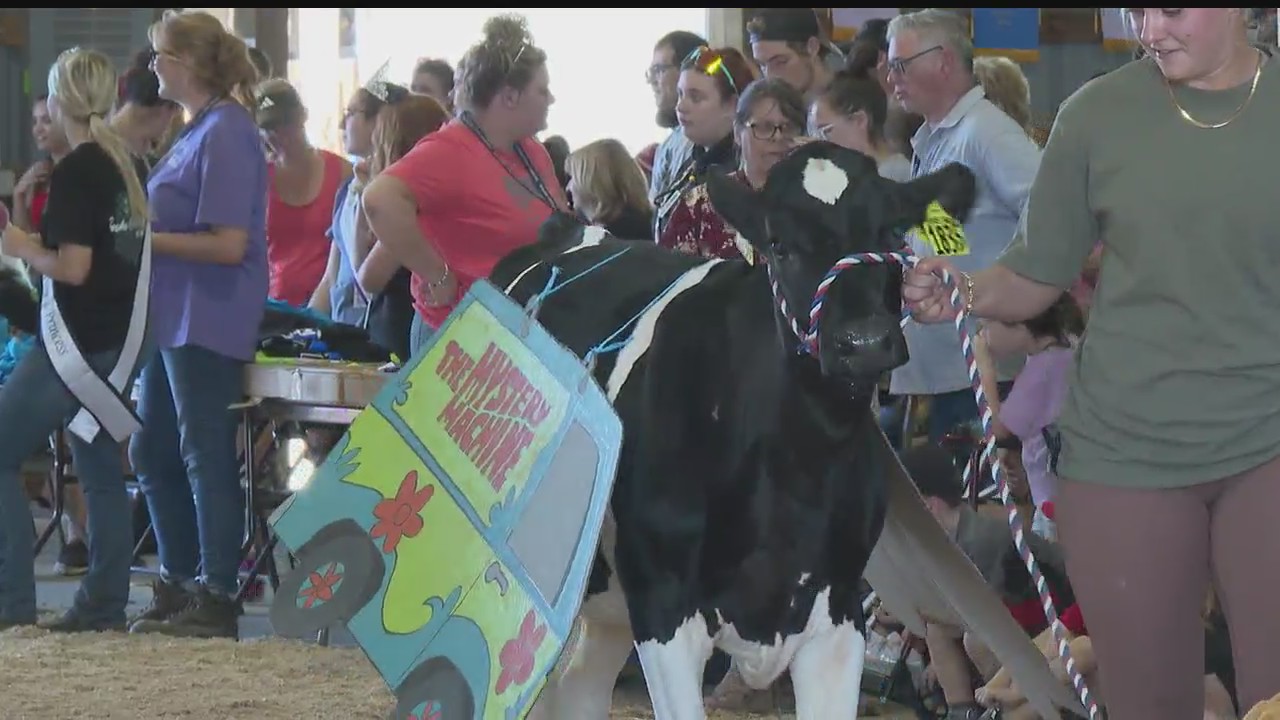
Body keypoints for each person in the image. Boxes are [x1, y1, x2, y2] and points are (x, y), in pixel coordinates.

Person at [903, 8, 1280, 718]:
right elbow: (1037, 271)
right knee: (1150, 697)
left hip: (1268, 439)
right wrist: (966, 289)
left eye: (1170, 10)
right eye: (1135, 10)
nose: (1148, 29)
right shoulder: (1097, 115)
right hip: (1125, 449)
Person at [128, 9, 268, 639]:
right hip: (173, 313)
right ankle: (180, 582)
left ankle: (217, 594)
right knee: (152, 447)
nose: (152, 65)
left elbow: (228, 243)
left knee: (203, 452)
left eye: (160, 55)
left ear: (186, 64)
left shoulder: (229, 132)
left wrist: (146, 241)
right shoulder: (194, 129)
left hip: (210, 312)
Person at [0, 47, 151, 632]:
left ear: (60, 101)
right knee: (99, 468)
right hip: (116, 340)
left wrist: (19, 245)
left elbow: (74, 267)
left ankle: (12, 600)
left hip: (72, 345)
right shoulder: (127, 165)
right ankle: (103, 603)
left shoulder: (77, 171)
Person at [362, 14, 567, 356]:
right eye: (542, 90)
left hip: (518, 337)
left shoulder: (532, 151)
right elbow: (379, 200)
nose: (551, 99)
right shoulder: (450, 150)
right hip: (459, 341)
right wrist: (437, 275)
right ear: (510, 96)